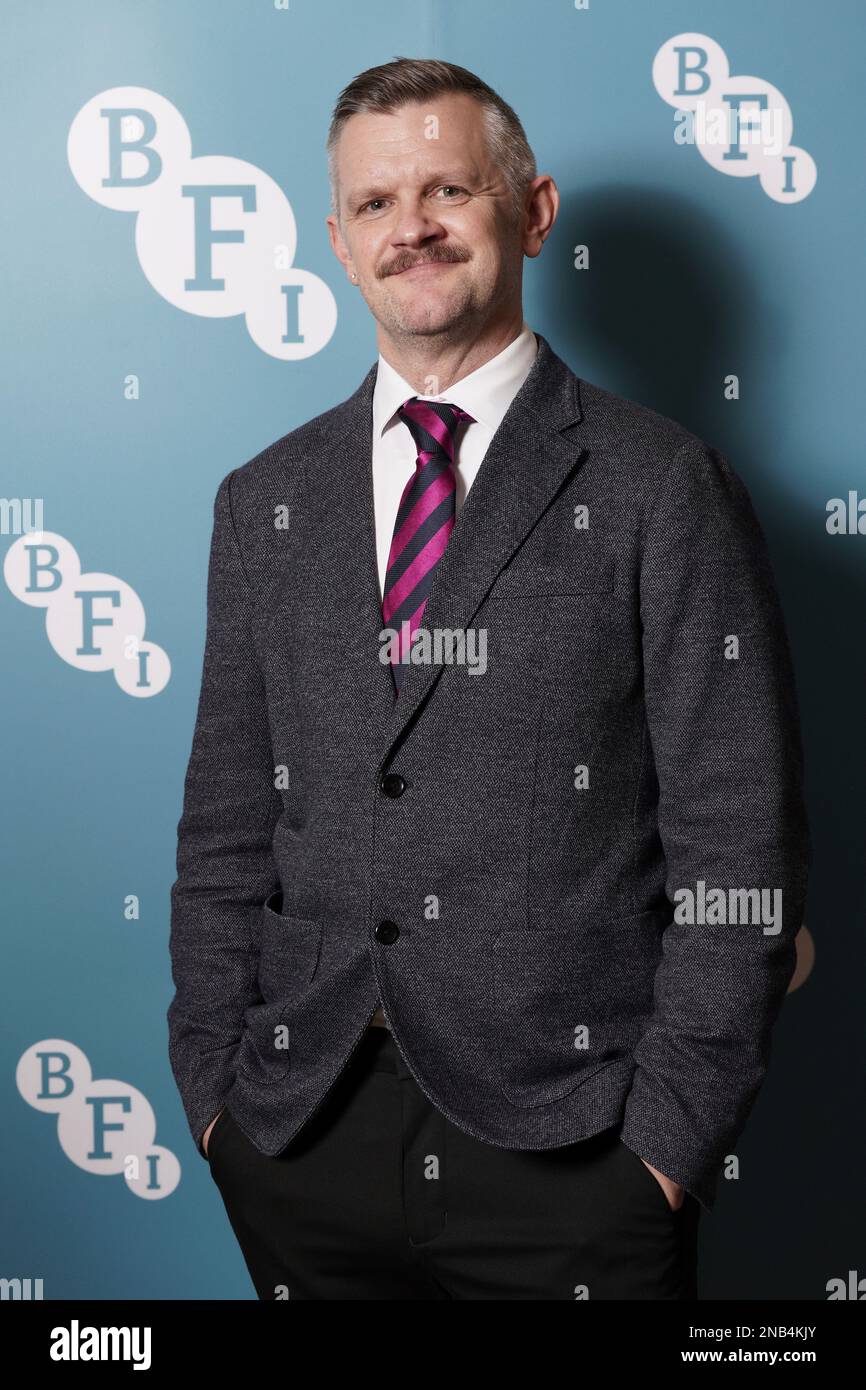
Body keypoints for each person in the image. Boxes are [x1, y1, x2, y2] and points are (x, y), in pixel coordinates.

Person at [167, 57, 811, 1300]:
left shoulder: (661, 487)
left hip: (575, 1151)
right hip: (302, 1138)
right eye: (373, 203)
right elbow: (227, 830)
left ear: (531, 209)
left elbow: (736, 846)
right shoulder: (263, 505)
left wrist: (663, 1150)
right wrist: (216, 1103)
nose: (409, 226)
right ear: (339, 245)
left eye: (447, 187)